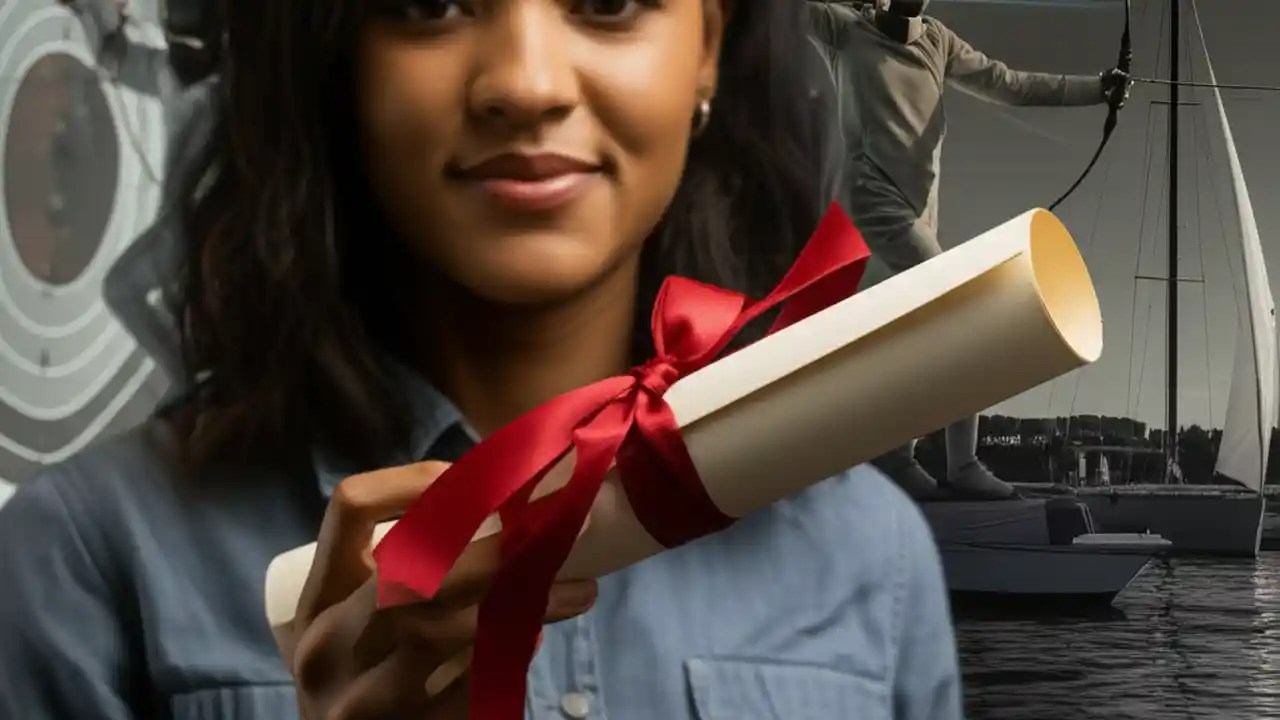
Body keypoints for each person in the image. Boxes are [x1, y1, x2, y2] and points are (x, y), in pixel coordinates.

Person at [0, 2, 962, 719]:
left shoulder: (872, 562)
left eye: (609, 2)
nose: (527, 83)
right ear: (340, 56)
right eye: (429, 3)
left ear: (706, 44)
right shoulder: (88, 556)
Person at [807, 0, 1131, 501]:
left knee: (912, 337)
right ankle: (962, 464)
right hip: (869, 202)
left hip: (919, 214)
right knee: (970, 306)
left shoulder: (937, 41)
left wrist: (1096, 88)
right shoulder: (842, 27)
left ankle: (895, 460)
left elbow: (1010, 85)